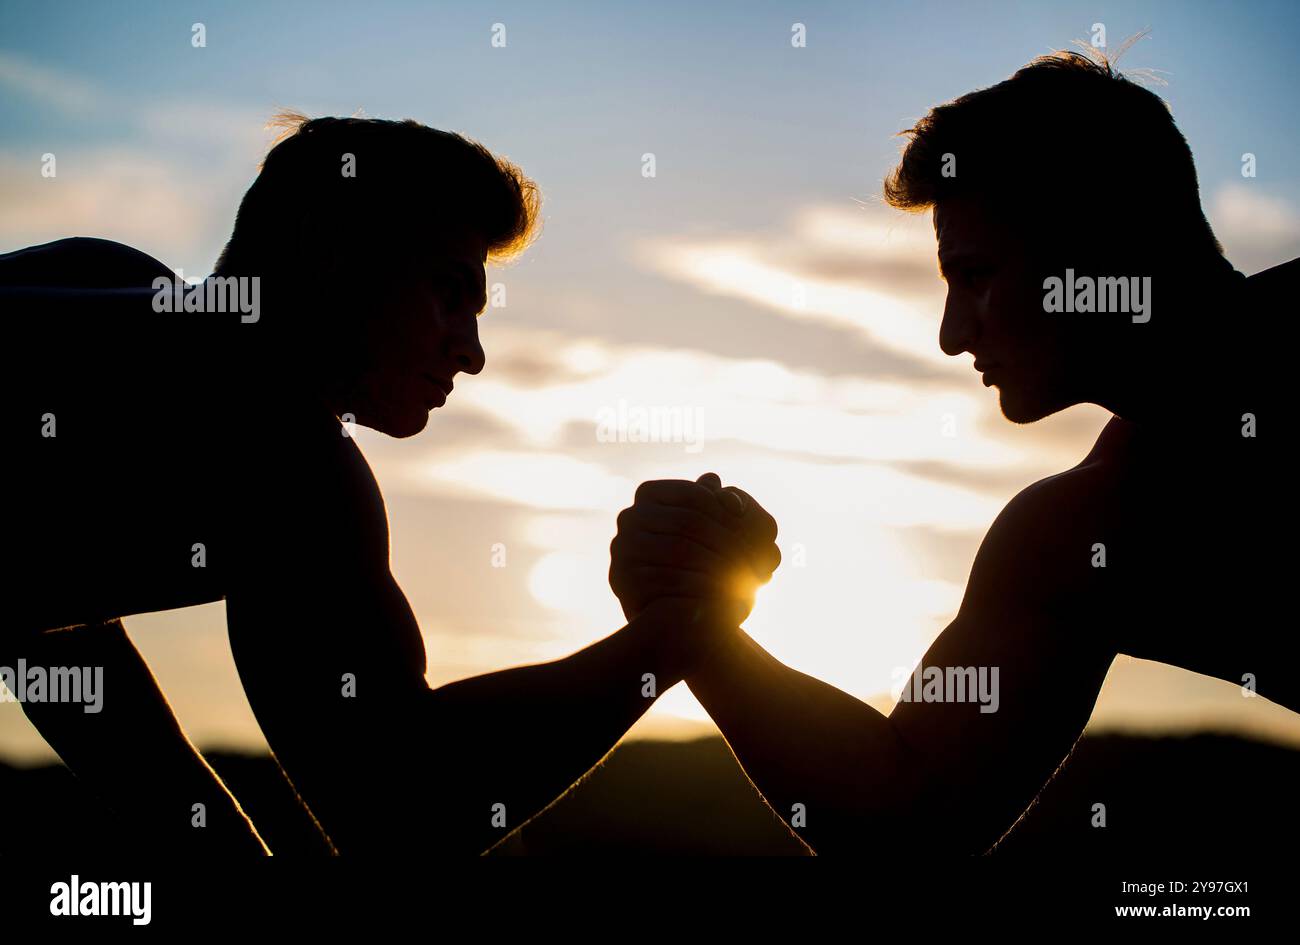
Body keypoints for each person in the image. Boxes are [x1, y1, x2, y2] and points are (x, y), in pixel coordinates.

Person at [5, 113, 779, 854]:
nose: (472, 354)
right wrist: (683, 628)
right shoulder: (294, 458)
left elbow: (60, 628)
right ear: (332, 258)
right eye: (449, 293)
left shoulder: (102, 283)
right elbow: (405, 805)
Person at [609, 50, 1296, 854]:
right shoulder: (1077, 537)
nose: (950, 333)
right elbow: (909, 824)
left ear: (1102, 240)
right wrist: (695, 627)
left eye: (974, 275)